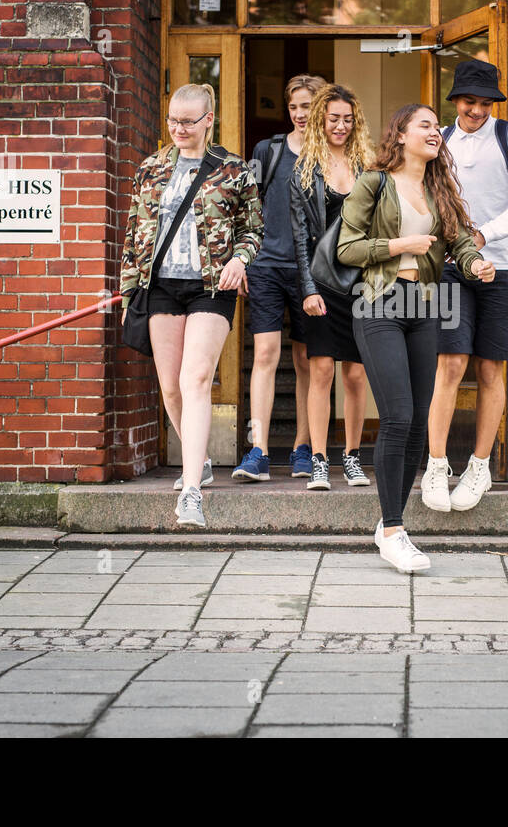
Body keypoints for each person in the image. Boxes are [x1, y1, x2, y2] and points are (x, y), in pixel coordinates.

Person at [338, 104, 495, 573]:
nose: (435, 132)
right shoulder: (374, 182)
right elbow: (347, 247)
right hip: (378, 303)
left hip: (425, 308)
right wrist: (400, 246)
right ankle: (393, 531)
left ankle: (392, 522)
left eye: (436, 127)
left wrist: (473, 264)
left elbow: (462, 240)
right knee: (398, 414)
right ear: (400, 134)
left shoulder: (439, 187)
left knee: (415, 425)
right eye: (425, 125)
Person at [119, 83, 262, 527]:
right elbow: (132, 235)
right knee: (171, 388)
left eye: (187, 121)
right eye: (172, 121)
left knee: (195, 378)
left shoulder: (233, 169)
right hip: (159, 285)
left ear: (208, 120)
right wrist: (129, 293)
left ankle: (192, 493)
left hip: (211, 285)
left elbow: (254, 228)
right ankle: (197, 460)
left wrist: (240, 259)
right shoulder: (151, 168)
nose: (178, 129)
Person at [422, 59, 508, 513]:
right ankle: (436, 465)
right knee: (450, 365)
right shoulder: (442, 141)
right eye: (469, 101)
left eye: (485, 102)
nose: (477, 110)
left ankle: (479, 466)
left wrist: (484, 236)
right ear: (455, 101)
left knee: (491, 370)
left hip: (505, 269)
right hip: (453, 270)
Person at [232, 74, 325, 484]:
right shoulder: (266, 150)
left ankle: (304, 448)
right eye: (294, 107)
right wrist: (243, 259)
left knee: (307, 360)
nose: (301, 114)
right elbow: (247, 206)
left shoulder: (333, 154)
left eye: (308, 106)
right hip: (266, 266)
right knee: (266, 355)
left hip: (313, 273)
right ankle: (260, 451)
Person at [289, 84, 374, 491]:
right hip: (322, 285)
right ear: (321, 119)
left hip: (362, 286)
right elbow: (300, 237)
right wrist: (307, 289)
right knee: (321, 370)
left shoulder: (369, 167)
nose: (340, 125)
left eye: (347, 118)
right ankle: (320, 459)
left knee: (355, 375)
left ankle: (352, 456)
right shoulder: (304, 170)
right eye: (333, 117)